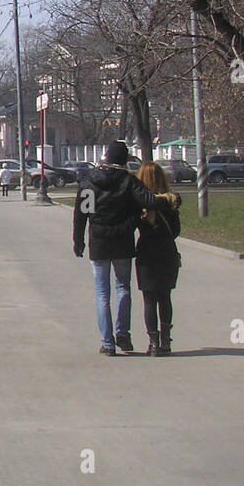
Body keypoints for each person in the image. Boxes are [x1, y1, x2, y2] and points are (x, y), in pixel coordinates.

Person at [73, 142, 179, 356]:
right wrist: (170, 200)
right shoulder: (128, 181)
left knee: (102, 292)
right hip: (122, 241)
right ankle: (123, 333)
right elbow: (147, 201)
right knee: (123, 287)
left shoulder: (89, 182)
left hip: (99, 242)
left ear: (104, 158)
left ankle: (108, 343)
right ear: (123, 160)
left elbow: (82, 214)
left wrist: (79, 241)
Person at [134, 163, 182, 356]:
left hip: (146, 254)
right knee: (165, 298)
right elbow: (176, 231)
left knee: (149, 300)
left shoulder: (139, 204)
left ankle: (153, 343)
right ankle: (166, 341)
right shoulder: (171, 203)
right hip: (167, 253)